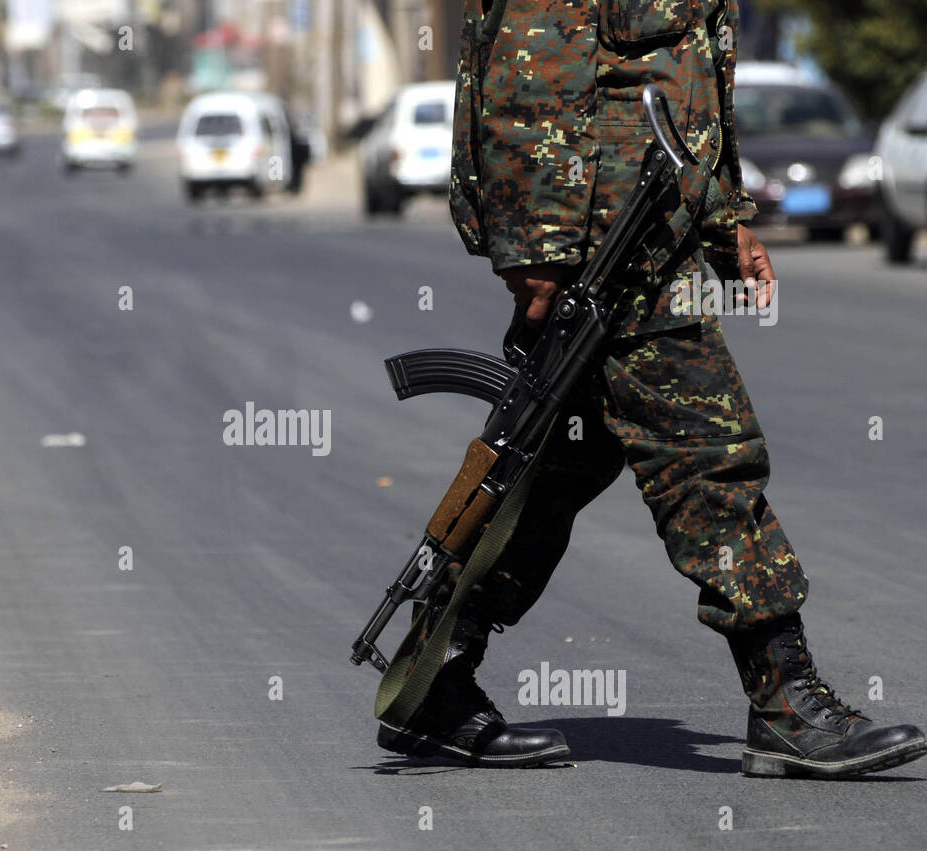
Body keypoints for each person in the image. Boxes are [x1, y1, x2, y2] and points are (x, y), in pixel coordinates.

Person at [376, 0, 927, 778]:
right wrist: (540, 242)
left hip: (647, 233)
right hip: (604, 252)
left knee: (555, 467)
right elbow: (525, 70)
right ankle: (785, 699)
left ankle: (433, 679)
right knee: (709, 453)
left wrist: (722, 219)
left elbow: (682, 81)